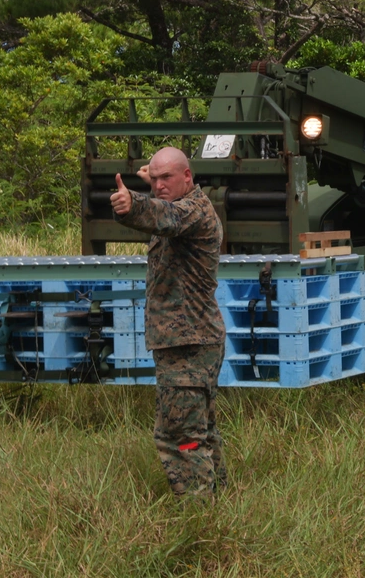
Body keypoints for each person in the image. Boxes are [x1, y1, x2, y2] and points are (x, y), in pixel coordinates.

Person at [110, 146, 227, 497]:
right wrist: (155, 180)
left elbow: (165, 217)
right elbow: (165, 204)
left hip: (188, 344)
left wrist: (133, 203)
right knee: (200, 430)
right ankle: (217, 501)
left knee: (180, 437)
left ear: (187, 177)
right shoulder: (180, 200)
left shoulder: (194, 211)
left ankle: (197, 511)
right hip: (188, 341)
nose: (159, 185)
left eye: (167, 178)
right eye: (155, 178)